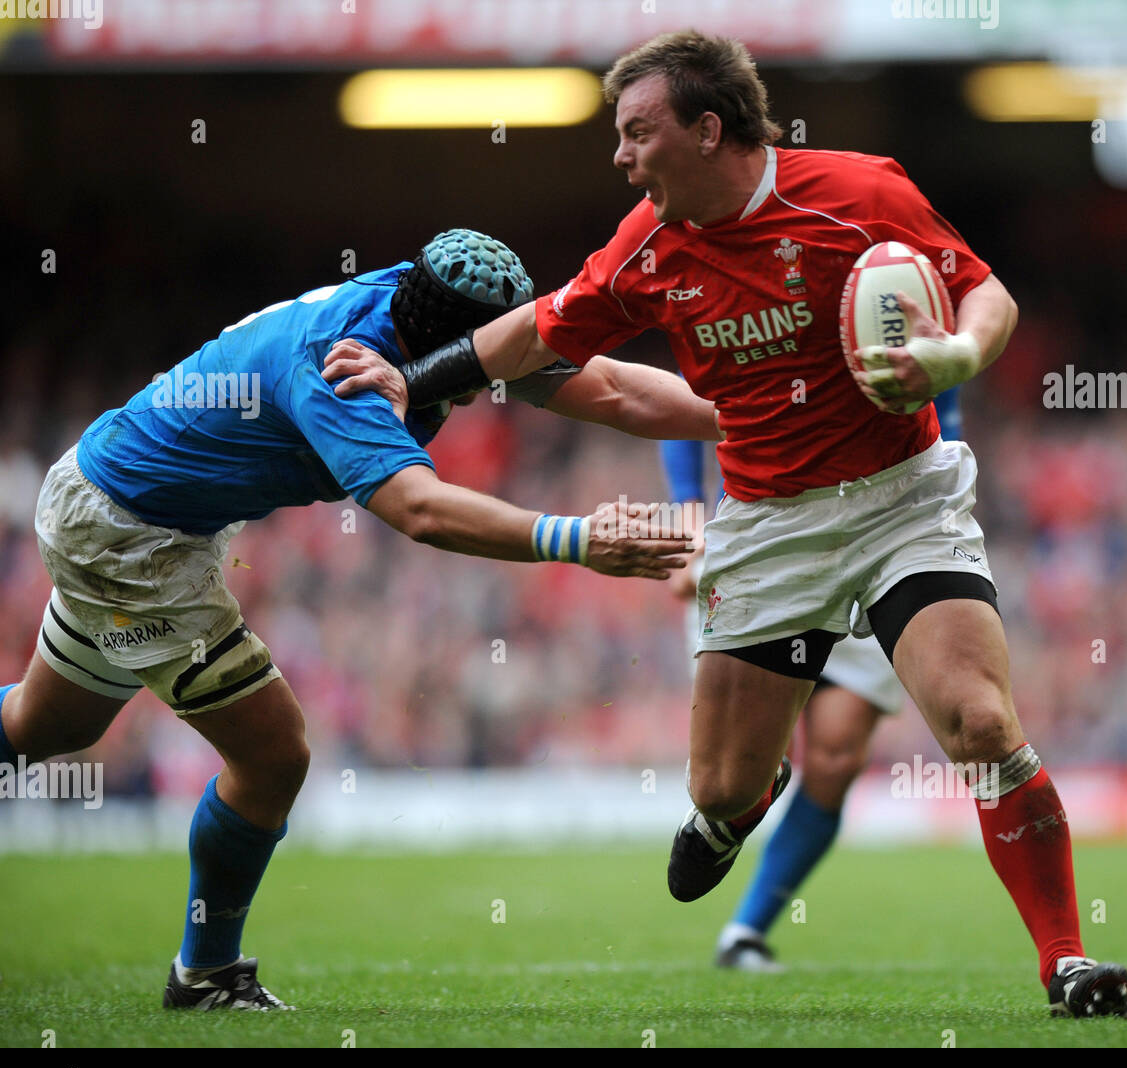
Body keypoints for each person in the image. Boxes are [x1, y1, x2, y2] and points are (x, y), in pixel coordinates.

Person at [330, 35, 1127, 1017]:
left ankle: (1066, 963)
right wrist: (412, 378)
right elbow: (542, 330)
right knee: (716, 787)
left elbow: (984, 290)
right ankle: (738, 809)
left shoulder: (858, 193)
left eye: (637, 133)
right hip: (766, 527)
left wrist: (958, 355)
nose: (621, 158)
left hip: (900, 499)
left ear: (707, 129)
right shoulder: (645, 245)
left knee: (979, 722)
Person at [0, 229, 715, 1011]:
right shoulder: (344, 368)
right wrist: (578, 539)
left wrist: (743, 420)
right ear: (442, 337)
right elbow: (419, 510)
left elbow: (611, 390)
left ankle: (204, 972)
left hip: (131, 501)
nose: (490, 381)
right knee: (274, 755)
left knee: (44, 727)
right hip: (130, 536)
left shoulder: (425, 307)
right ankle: (205, 974)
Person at [661, 384, 962, 971]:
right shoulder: (763, 302)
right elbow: (687, 396)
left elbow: (942, 414)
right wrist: (689, 516)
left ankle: (746, 929)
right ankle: (748, 797)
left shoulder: (910, 302)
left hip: (877, 545)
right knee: (732, 776)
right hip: (766, 545)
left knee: (837, 756)